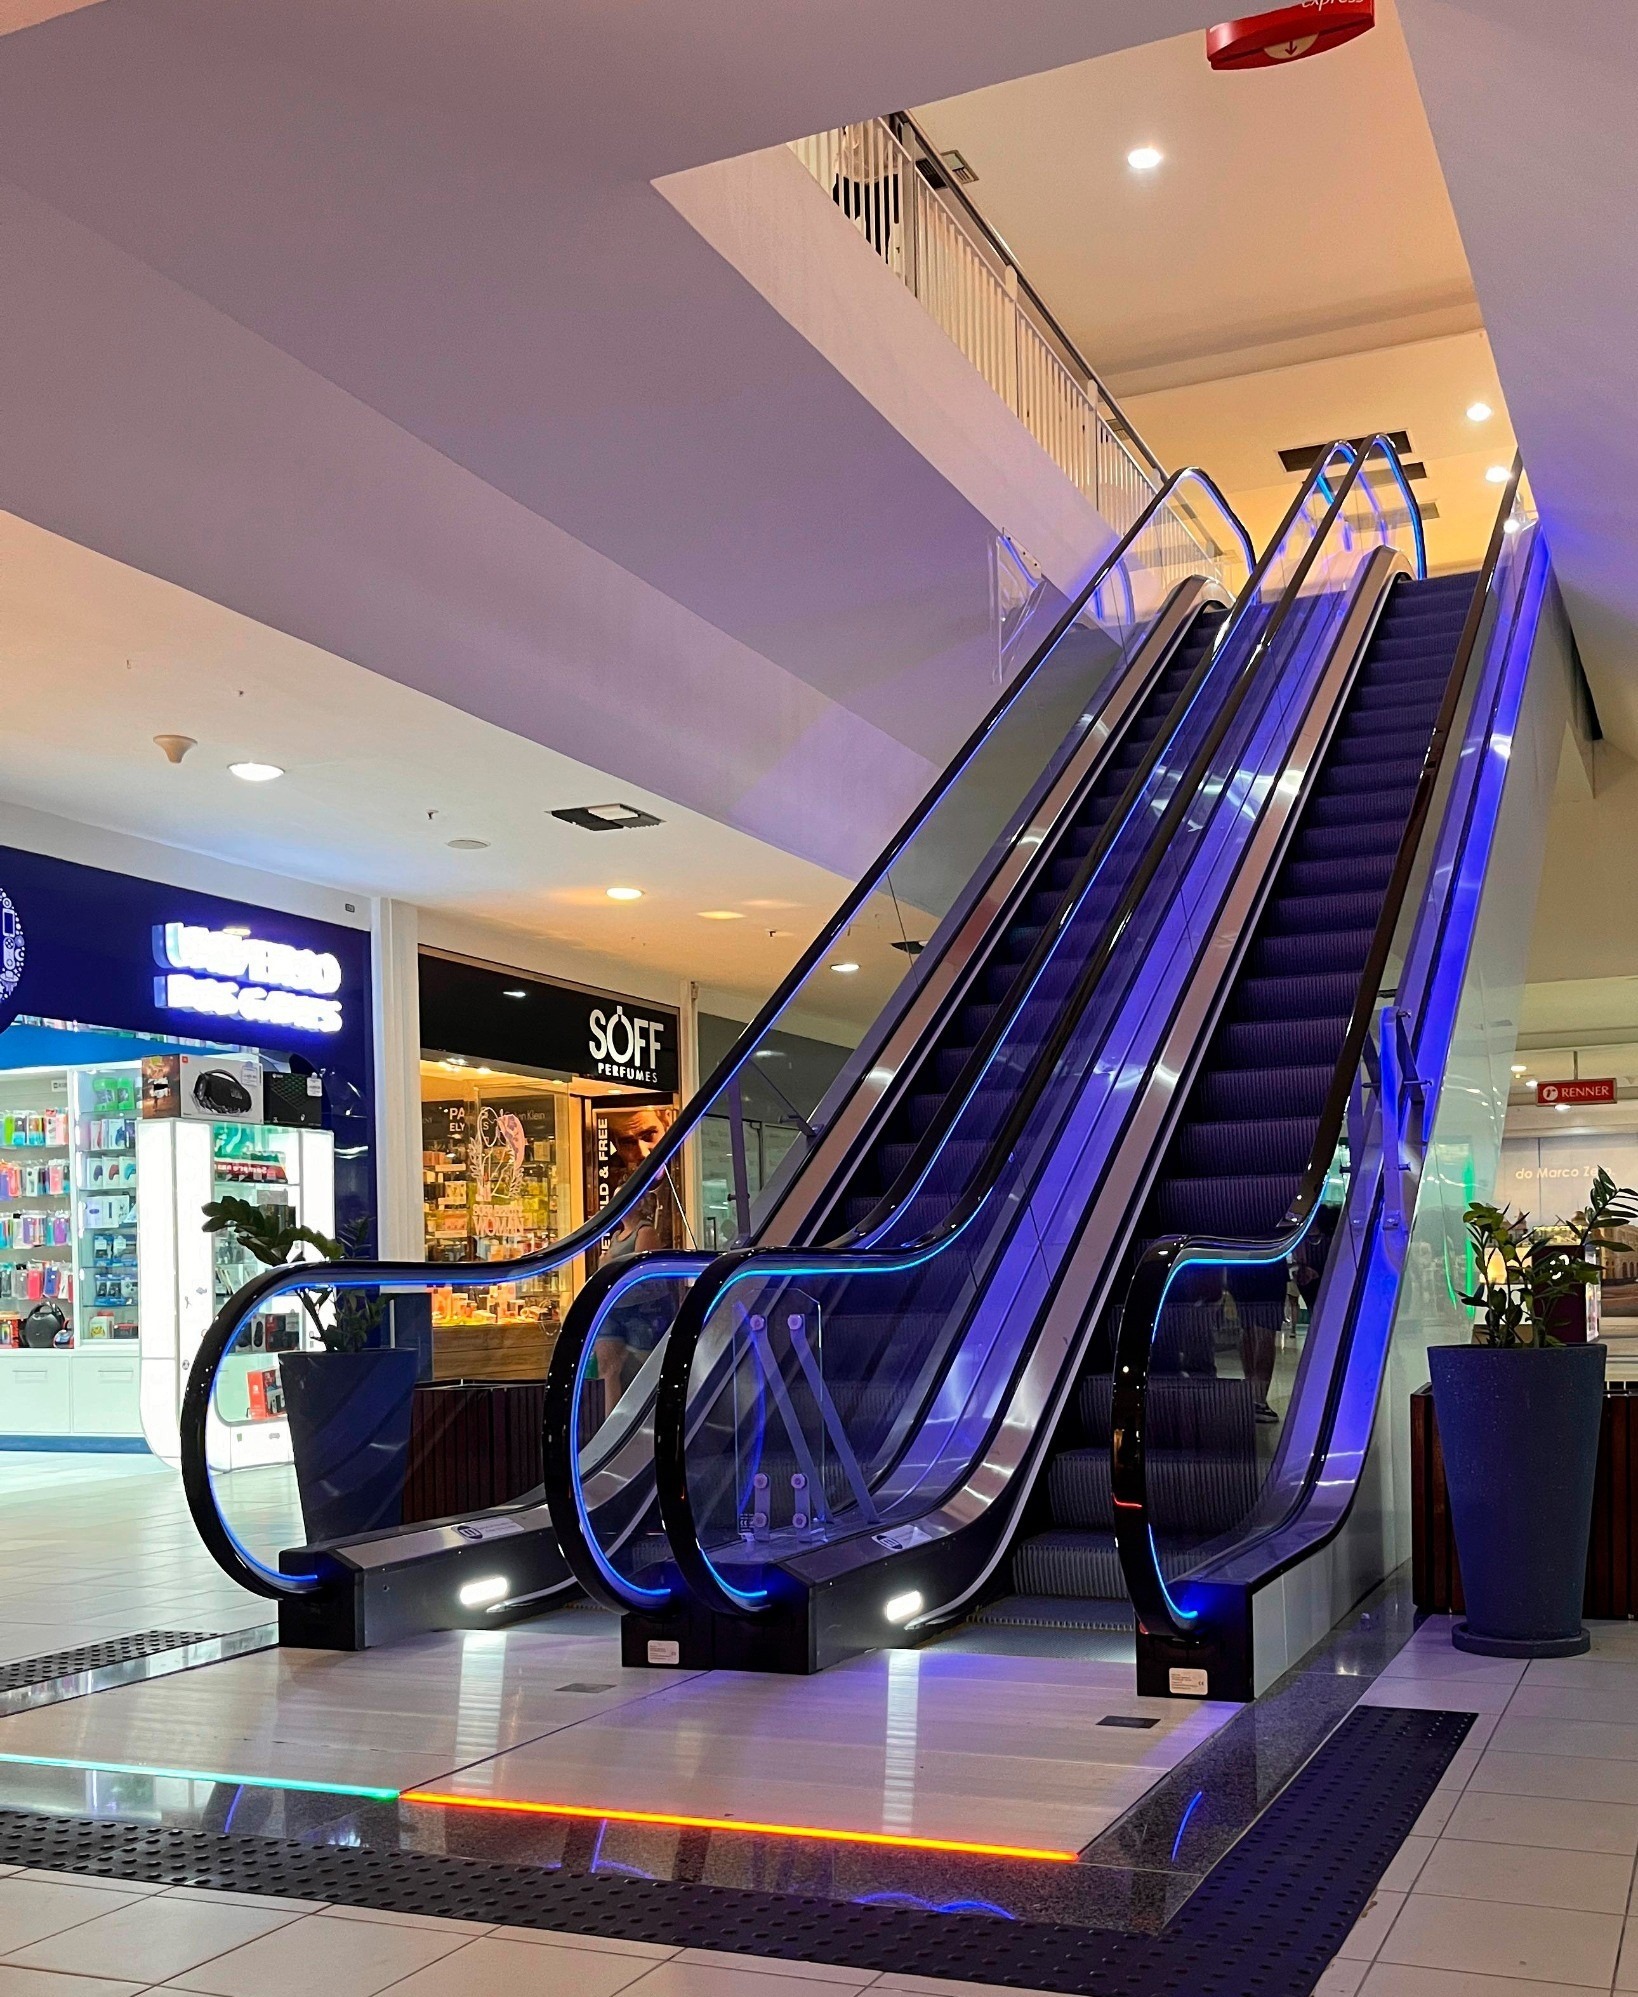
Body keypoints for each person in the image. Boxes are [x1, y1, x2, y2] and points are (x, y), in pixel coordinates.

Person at [592, 1104, 678, 1399]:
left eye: (649, 1135)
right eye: (628, 1141)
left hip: (642, 1311)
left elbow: (641, 1276)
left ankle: (636, 1428)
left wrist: (609, 1270)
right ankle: (609, 1431)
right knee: (609, 1370)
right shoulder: (619, 1235)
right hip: (617, 1308)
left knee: (644, 1377)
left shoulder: (645, 1232)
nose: (642, 1152)